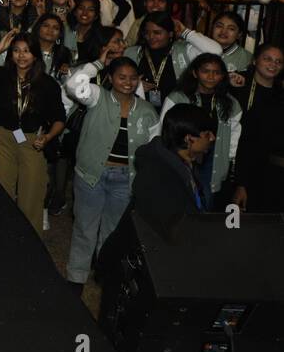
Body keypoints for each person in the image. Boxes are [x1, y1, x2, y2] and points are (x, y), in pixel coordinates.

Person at [62, 48, 159, 290]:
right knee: (84, 230)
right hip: (91, 176)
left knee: (112, 233)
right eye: (121, 77)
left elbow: (153, 150)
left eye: (132, 77)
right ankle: (76, 281)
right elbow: (73, 84)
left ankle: (105, 277)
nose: (127, 82)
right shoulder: (97, 96)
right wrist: (97, 63)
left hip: (125, 180)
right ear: (111, 78)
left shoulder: (147, 111)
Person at [0, 30, 68, 236]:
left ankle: (31, 247)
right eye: (16, 50)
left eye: (26, 51)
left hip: (33, 143)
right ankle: (1, 239)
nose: (21, 55)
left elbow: (60, 118)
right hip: (5, 138)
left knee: (30, 198)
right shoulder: (4, 75)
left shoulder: (47, 83)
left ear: (35, 54)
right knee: (1, 192)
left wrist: (48, 137)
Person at [158, 53, 242, 209]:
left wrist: (229, 160)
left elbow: (234, 137)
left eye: (216, 72)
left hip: (213, 159)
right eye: (205, 71)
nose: (211, 76)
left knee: (203, 205)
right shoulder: (178, 97)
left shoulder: (231, 103)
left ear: (223, 76)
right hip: (180, 157)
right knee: (176, 203)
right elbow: (163, 129)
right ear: (195, 73)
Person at [131, 103, 217, 233]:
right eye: (207, 134)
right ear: (189, 139)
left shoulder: (183, 163)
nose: (212, 138)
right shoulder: (156, 175)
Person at [230, 44, 284, 212]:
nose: (273, 64)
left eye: (279, 61)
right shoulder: (239, 86)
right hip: (238, 166)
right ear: (254, 60)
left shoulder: (280, 94)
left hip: (269, 171)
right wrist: (241, 182)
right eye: (267, 59)